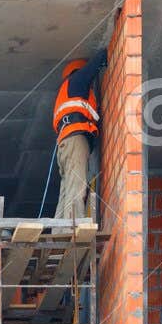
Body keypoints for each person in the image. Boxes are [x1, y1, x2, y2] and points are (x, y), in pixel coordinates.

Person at [51, 49, 107, 222]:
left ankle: (59, 229)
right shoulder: (75, 83)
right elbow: (92, 67)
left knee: (67, 190)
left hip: (66, 144)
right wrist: (106, 54)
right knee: (77, 186)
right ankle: (71, 228)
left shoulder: (65, 94)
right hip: (75, 141)